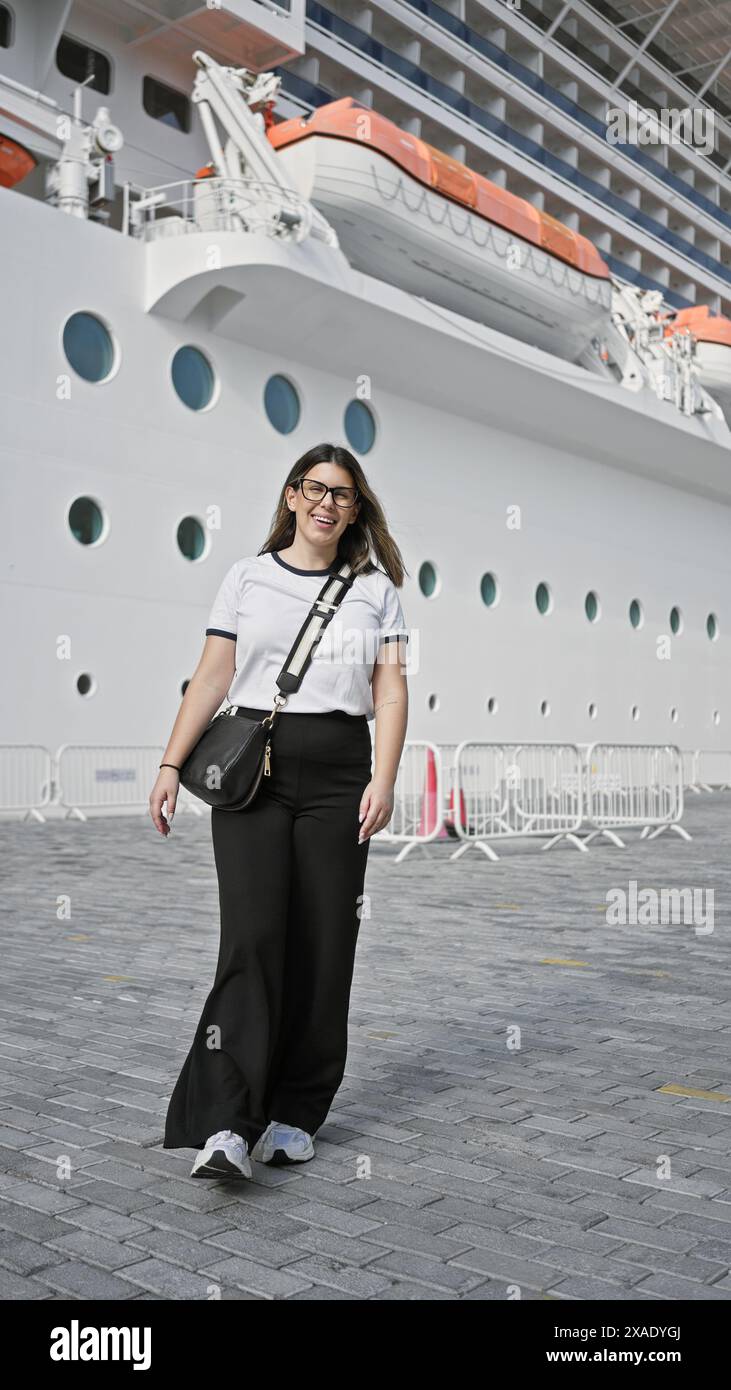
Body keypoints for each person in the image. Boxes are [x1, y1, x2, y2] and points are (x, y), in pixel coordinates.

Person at [149, 442, 409, 1178]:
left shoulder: (376, 590)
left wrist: (382, 780)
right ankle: (229, 1122)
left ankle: (297, 1110)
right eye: (317, 489)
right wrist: (171, 762)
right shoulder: (246, 578)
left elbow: (388, 692)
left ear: (356, 509)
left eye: (344, 495)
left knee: (326, 944)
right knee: (251, 939)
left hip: (339, 771)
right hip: (251, 770)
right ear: (293, 497)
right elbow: (211, 676)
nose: (329, 503)